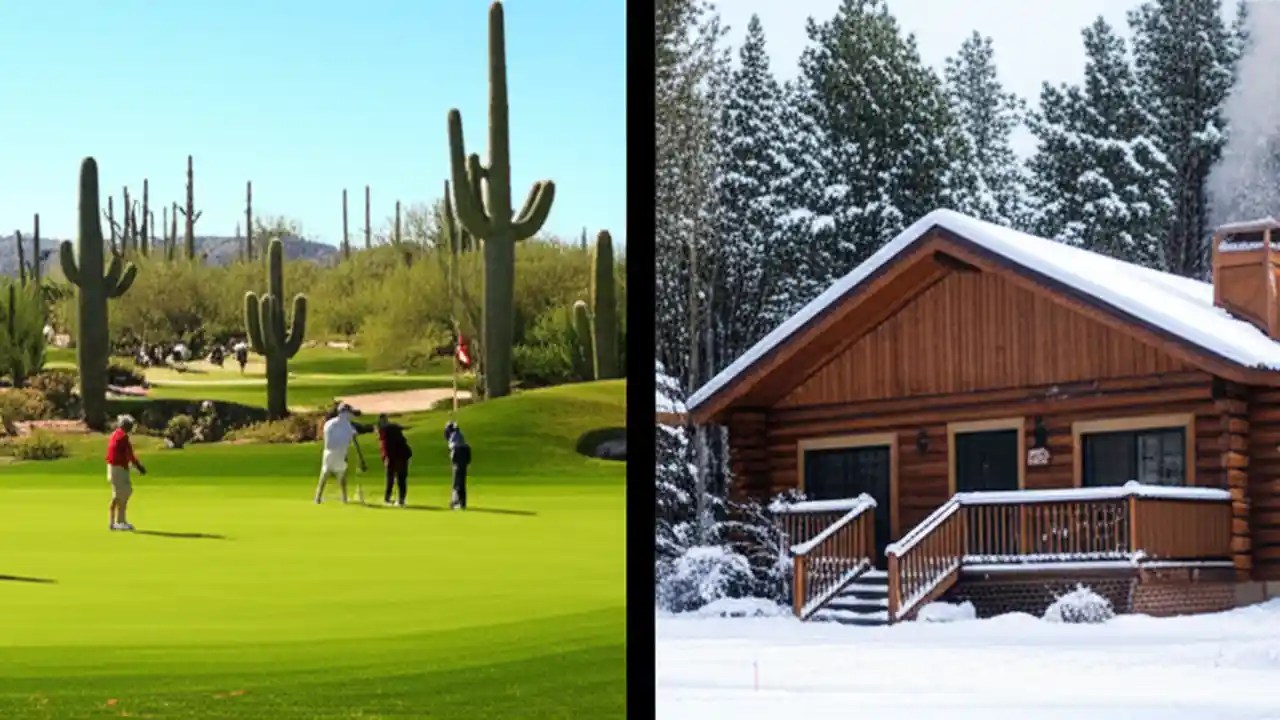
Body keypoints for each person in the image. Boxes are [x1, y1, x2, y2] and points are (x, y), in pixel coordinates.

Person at [315, 404, 368, 504]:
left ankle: (318, 497)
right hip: (339, 452)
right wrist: (361, 459)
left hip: (329, 452)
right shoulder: (348, 426)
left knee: (325, 474)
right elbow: (354, 441)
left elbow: (326, 438)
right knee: (341, 476)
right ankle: (344, 498)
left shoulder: (329, 424)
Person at [105, 415, 146, 531]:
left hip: (114, 467)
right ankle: (119, 522)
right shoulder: (123, 437)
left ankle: (114, 522)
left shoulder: (116, 434)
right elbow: (129, 455)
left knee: (121, 494)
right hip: (118, 469)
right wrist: (138, 467)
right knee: (122, 494)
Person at [377, 414, 413, 506]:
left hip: (397, 455)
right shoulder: (392, 428)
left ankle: (389, 499)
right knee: (400, 478)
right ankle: (400, 500)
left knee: (392, 478)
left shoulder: (385, 431)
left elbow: (386, 447)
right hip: (403, 454)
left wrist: (386, 458)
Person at [444, 421, 471, 510]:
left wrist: (454, 460)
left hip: (458, 461)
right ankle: (461, 503)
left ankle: (456, 502)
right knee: (461, 482)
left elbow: (454, 450)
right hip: (463, 461)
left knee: (457, 483)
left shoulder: (454, 438)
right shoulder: (460, 436)